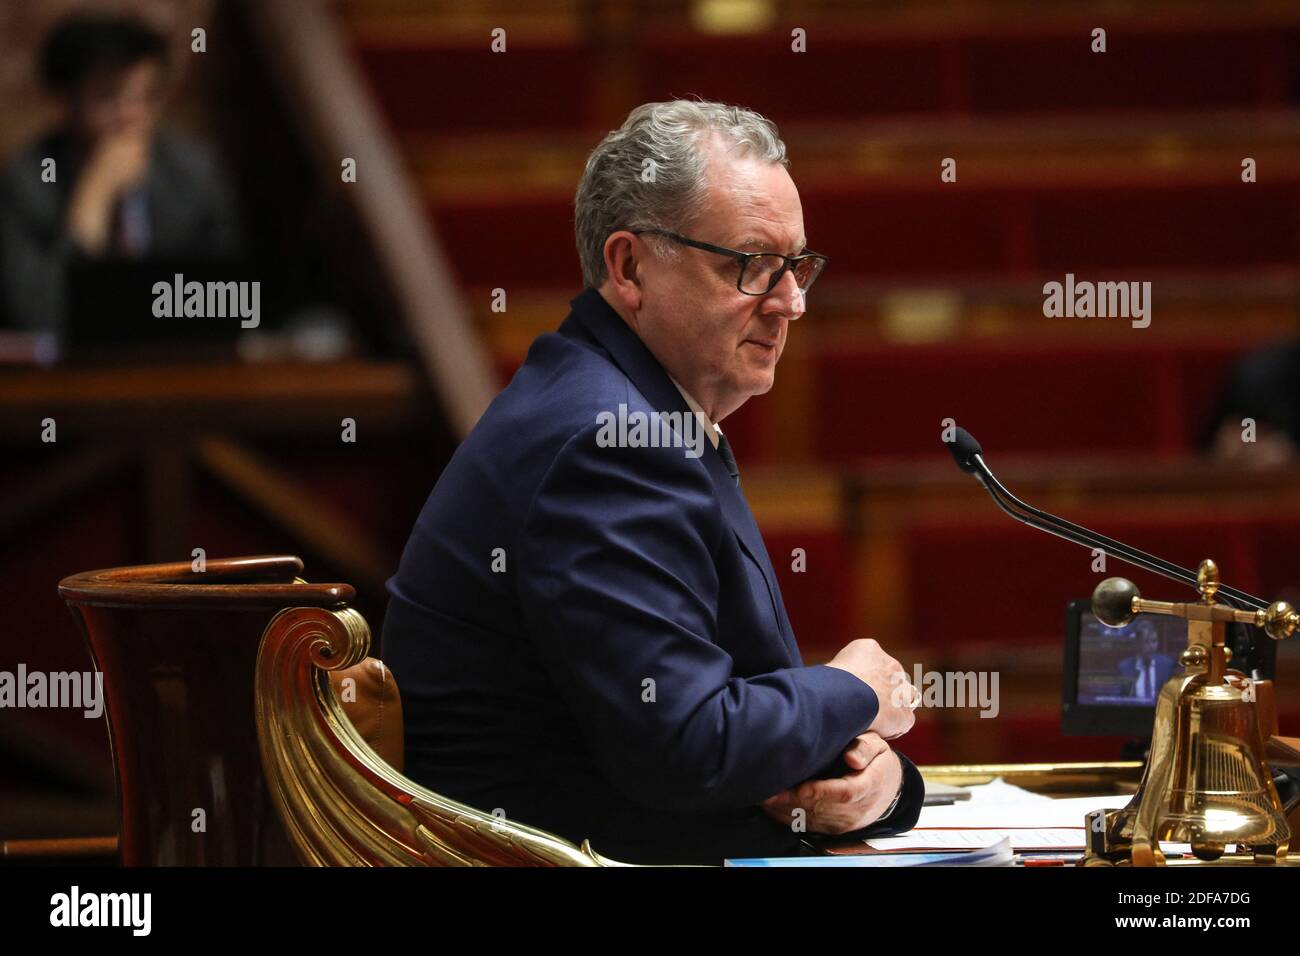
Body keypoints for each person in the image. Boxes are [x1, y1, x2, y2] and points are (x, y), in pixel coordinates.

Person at [382, 99, 924, 865]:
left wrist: (880, 782)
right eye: (751, 265)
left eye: (798, 266)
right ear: (630, 266)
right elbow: (689, 745)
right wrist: (856, 686)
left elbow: (725, 719)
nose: (791, 303)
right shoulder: (605, 440)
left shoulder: (630, 409)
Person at [0, 13, 240, 337]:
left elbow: (229, 303)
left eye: (147, 97)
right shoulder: (29, 180)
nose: (132, 116)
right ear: (66, 102)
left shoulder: (194, 174)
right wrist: (93, 199)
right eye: (109, 97)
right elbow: (40, 318)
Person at [1117, 622, 1177, 702]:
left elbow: (1173, 697)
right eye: (1146, 642)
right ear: (1138, 644)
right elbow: (1117, 699)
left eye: (1154, 641)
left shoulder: (1166, 665)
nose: (1152, 646)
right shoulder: (1125, 668)